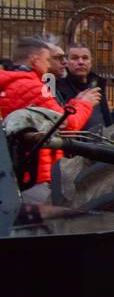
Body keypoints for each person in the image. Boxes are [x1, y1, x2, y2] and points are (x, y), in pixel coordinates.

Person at [0, 37, 99, 186]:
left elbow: (52, 115)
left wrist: (75, 103)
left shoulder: (15, 82)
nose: (48, 65)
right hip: (36, 170)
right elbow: (65, 125)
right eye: (47, 60)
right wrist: (85, 104)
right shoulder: (33, 87)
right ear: (35, 60)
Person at [57, 44, 112, 132]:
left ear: (91, 61)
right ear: (66, 62)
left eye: (85, 58)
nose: (81, 62)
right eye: (74, 58)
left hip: (101, 142)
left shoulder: (98, 84)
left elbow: (106, 118)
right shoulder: (56, 87)